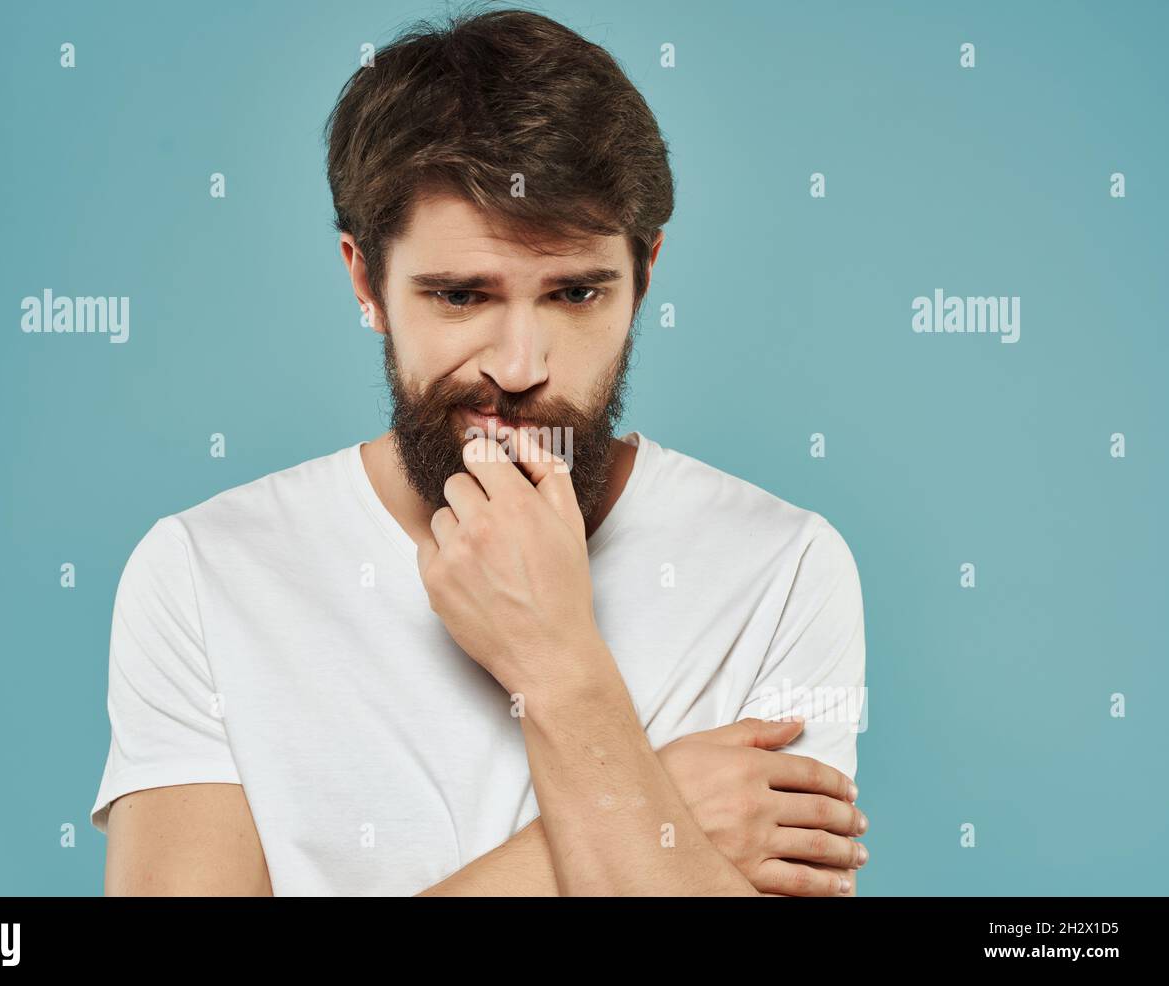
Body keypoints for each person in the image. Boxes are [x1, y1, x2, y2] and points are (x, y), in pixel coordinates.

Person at [91, 5, 868, 896]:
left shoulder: (784, 567)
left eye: (576, 293)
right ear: (364, 279)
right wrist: (661, 811)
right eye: (461, 296)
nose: (518, 366)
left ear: (646, 273)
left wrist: (558, 663)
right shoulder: (203, 574)